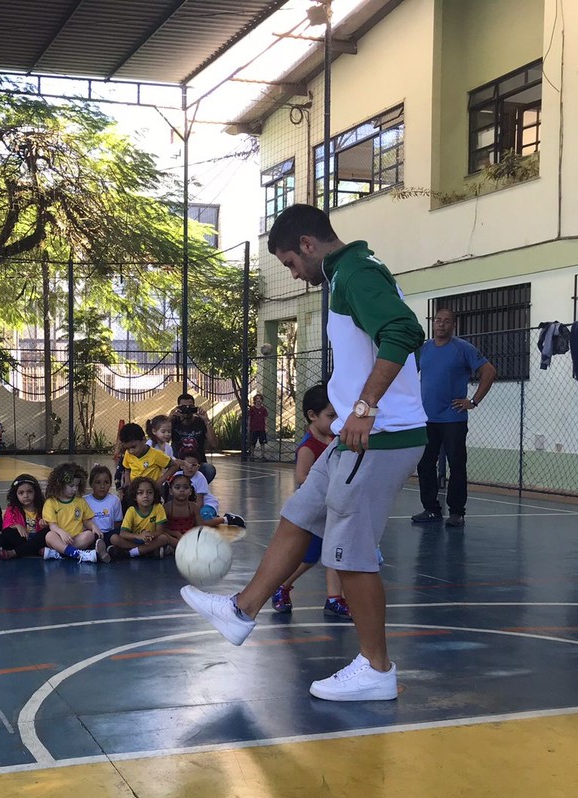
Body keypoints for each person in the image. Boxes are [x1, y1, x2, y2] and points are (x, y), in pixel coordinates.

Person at [181, 203, 426, 702]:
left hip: (380, 437)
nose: (294, 272)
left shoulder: (355, 273)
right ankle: (242, 610)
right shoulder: (344, 274)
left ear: (308, 246)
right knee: (299, 515)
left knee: (352, 556)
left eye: (291, 263)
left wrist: (364, 406)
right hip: (354, 437)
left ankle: (377, 669)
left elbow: (403, 330)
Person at [411, 308, 497, 528]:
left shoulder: (463, 349)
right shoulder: (423, 350)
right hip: (427, 419)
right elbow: (408, 376)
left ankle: (457, 512)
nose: (441, 324)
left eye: (447, 321)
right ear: (433, 324)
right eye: (438, 320)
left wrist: (473, 401)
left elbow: (489, 372)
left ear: (453, 325)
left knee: (457, 464)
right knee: (425, 464)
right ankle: (431, 509)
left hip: (453, 419)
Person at [269, 384, 347, 617]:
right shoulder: (308, 447)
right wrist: (326, 481)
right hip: (316, 509)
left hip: (334, 506)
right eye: (330, 416)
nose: (335, 421)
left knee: (334, 552)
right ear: (312, 416)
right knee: (310, 557)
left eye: (337, 415)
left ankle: (334, 598)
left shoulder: (335, 439)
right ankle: (281, 586)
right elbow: (302, 477)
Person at [41, 462, 108, 563]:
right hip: (60, 538)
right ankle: (79, 554)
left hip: (75, 539)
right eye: (71, 485)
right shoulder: (51, 502)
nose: (75, 489)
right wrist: (61, 532)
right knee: (50, 536)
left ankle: (61, 553)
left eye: (77, 486)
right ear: (60, 484)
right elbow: (52, 526)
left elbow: (86, 520)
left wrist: (93, 526)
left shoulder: (79, 501)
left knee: (89, 535)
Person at [110, 477, 176, 559]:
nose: (145, 496)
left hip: (151, 540)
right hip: (135, 540)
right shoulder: (131, 510)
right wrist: (138, 536)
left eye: (149, 492)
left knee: (163, 538)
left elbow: (160, 531)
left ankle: (132, 553)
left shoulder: (158, 507)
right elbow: (123, 533)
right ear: (134, 496)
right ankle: (146, 551)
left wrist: (149, 535)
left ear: (154, 495)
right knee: (114, 538)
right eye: (140, 493)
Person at [170, 393, 218, 482]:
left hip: (197, 465)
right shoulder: (174, 422)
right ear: (178, 408)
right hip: (179, 464)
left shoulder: (200, 422)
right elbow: (162, 440)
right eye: (184, 407)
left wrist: (206, 421)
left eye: (190, 407)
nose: (187, 410)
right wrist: (170, 419)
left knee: (209, 469)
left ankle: (197, 488)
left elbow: (214, 444)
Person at [119, 422, 176, 495]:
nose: (131, 451)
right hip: (135, 492)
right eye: (127, 448)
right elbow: (127, 468)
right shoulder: (128, 454)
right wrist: (127, 482)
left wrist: (159, 482)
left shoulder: (156, 455)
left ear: (144, 440)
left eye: (133, 447)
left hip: (151, 493)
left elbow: (174, 466)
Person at [0, 473, 48, 560]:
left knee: (47, 533)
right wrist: (17, 526)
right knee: (7, 534)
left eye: (29, 492)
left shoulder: (44, 507)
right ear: (15, 494)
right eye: (21, 493)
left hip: (37, 538)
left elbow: (52, 522)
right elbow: (6, 524)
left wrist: (45, 525)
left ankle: (15, 552)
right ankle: (34, 550)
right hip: (22, 539)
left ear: (36, 492)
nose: (25, 496)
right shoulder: (12, 509)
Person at [84, 464, 123, 542]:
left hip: (109, 534)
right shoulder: (84, 501)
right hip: (92, 534)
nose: (102, 486)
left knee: (117, 536)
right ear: (91, 484)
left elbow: (117, 522)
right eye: (98, 482)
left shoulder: (115, 500)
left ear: (110, 484)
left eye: (106, 482)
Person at [164, 473, 205, 540]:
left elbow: (200, 527)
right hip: (172, 539)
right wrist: (175, 534)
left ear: (190, 491)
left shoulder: (194, 507)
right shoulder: (166, 508)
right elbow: (163, 529)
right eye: (177, 487)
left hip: (190, 538)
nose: (182, 490)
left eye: (186, 487)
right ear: (171, 491)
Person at [247, 393, 270, 460]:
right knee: (252, 443)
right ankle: (252, 455)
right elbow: (249, 418)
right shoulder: (252, 409)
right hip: (254, 428)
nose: (258, 400)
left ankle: (263, 456)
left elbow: (265, 418)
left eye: (260, 399)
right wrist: (248, 426)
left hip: (261, 428)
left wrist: (266, 427)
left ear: (262, 400)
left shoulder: (263, 409)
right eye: (257, 399)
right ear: (255, 400)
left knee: (262, 442)